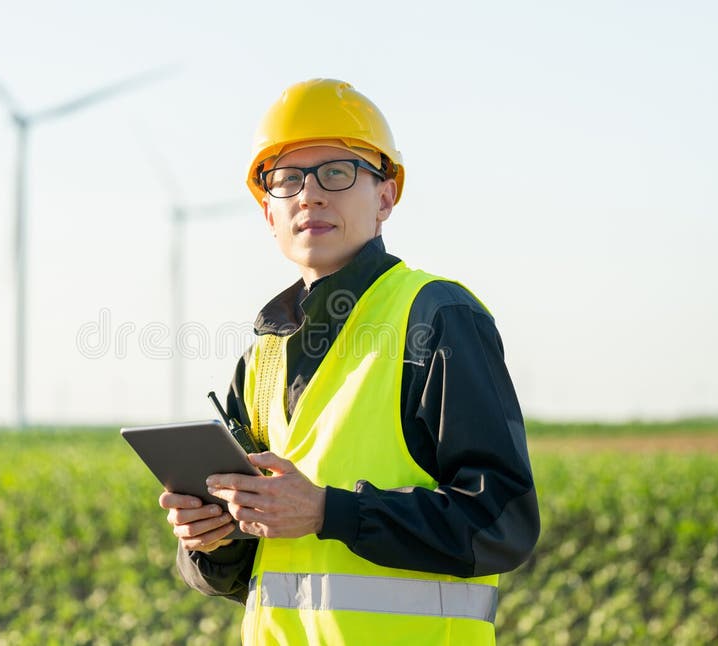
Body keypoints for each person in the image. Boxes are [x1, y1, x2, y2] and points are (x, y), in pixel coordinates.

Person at [158, 78, 540, 645]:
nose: (310, 195)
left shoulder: (436, 317)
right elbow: (251, 570)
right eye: (286, 179)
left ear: (385, 197)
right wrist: (211, 540)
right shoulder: (264, 355)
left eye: (336, 172)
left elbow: (502, 524)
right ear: (268, 212)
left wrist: (329, 512)